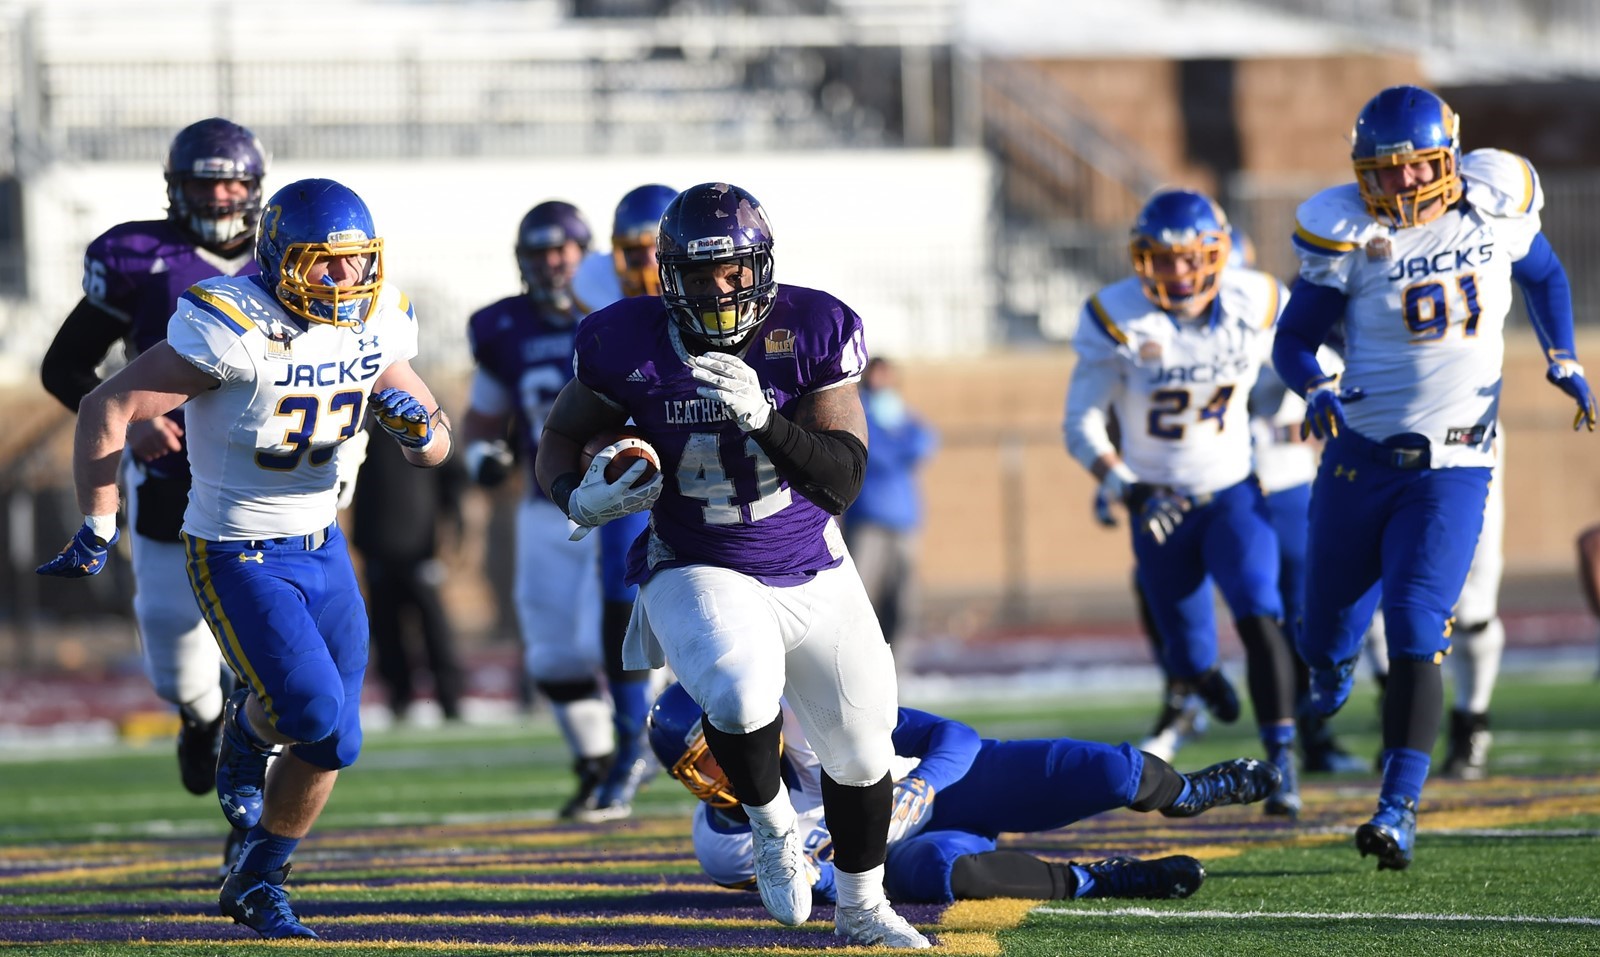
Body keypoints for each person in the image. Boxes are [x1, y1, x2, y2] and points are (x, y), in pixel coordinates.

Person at [39, 177, 454, 938]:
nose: (344, 279)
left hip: (323, 545)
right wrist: (100, 525)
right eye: (323, 263)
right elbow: (109, 405)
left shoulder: (378, 318)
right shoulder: (233, 321)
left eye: (356, 263)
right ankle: (252, 768)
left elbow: (437, 440)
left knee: (338, 740)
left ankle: (256, 869)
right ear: (280, 258)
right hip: (236, 549)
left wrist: (417, 431)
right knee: (313, 710)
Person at [534, 182, 930, 949]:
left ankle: (861, 906)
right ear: (668, 275)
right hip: (696, 558)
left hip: (811, 558)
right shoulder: (624, 340)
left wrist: (764, 417)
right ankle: (774, 823)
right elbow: (558, 439)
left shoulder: (812, 327)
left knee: (863, 741)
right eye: (702, 274)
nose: (722, 289)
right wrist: (575, 497)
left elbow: (842, 478)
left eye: (736, 271)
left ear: (762, 267)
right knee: (743, 687)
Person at [1272, 84, 1594, 871]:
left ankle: (1398, 807)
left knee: (1420, 625)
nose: (1406, 185)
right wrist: (1313, 385)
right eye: (1386, 172)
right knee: (1325, 637)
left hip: (1454, 461)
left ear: (1448, 160)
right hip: (1357, 460)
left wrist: (1564, 356)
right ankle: (1330, 669)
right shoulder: (1345, 230)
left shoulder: (1494, 205)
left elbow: (1545, 275)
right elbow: (1293, 339)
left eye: (1419, 168)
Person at [34, 118, 357, 875]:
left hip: (270, 501)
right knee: (178, 666)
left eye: (233, 181)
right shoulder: (138, 257)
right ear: (175, 187)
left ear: (257, 189)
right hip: (171, 493)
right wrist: (133, 423)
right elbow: (67, 368)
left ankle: (248, 817)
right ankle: (200, 714)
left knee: (283, 683)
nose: (219, 194)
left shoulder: (301, 255)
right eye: (205, 180)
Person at [1064, 188, 1302, 819]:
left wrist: (1325, 390)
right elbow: (1080, 423)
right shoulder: (1118, 316)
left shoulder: (1256, 299)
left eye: (1190, 257)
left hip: (1232, 492)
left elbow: (1310, 352)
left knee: (1260, 612)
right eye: (1161, 259)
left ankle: (1284, 761)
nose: (1177, 272)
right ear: (1142, 260)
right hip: (1158, 505)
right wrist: (1126, 485)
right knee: (1189, 656)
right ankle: (1202, 679)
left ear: (1218, 254)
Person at [648, 682, 1280, 905]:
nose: (720, 776)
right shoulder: (724, 848)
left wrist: (921, 784)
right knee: (937, 870)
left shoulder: (813, 717)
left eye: (722, 752)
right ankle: (1099, 881)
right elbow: (823, 891)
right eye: (699, 768)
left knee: (1113, 772)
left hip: (951, 789)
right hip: (901, 853)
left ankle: (1187, 791)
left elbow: (956, 735)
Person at [462, 199, 620, 819]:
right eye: (541, 252)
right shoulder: (504, 327)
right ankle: (598, 767)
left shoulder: (616, 314)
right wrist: (481, 453)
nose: (553, 263)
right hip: (545, 504)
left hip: (621, 502)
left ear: (587, 255)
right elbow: (483, 414)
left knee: (597, 640)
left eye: (564, 250)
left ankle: (647, 741)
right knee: (553, 654)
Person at [565, 182, 680, 822]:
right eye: (627, 253)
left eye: (650, 252)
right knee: (618, 589)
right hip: (637, 459)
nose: (639, 268)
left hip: (712, 458)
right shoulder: (602, 298)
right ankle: (633, 741)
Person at [350, 416, 469, 723]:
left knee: (433, 625)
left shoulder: (421, 415)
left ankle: (450, 698)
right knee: (386, 626)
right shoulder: (361, 421)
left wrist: (452, 524)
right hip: (377, 542)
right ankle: (399, 697)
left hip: (420, 541)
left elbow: (452, 473)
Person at [843, 356, 938, 651]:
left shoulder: (899, 414)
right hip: (867, 521)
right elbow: (873, 452)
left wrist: (897, 443)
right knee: (860, 600)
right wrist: (899, 447)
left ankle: (898, 673)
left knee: (902, 604)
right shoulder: (858, 412)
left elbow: (925, 441)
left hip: (904, 521)